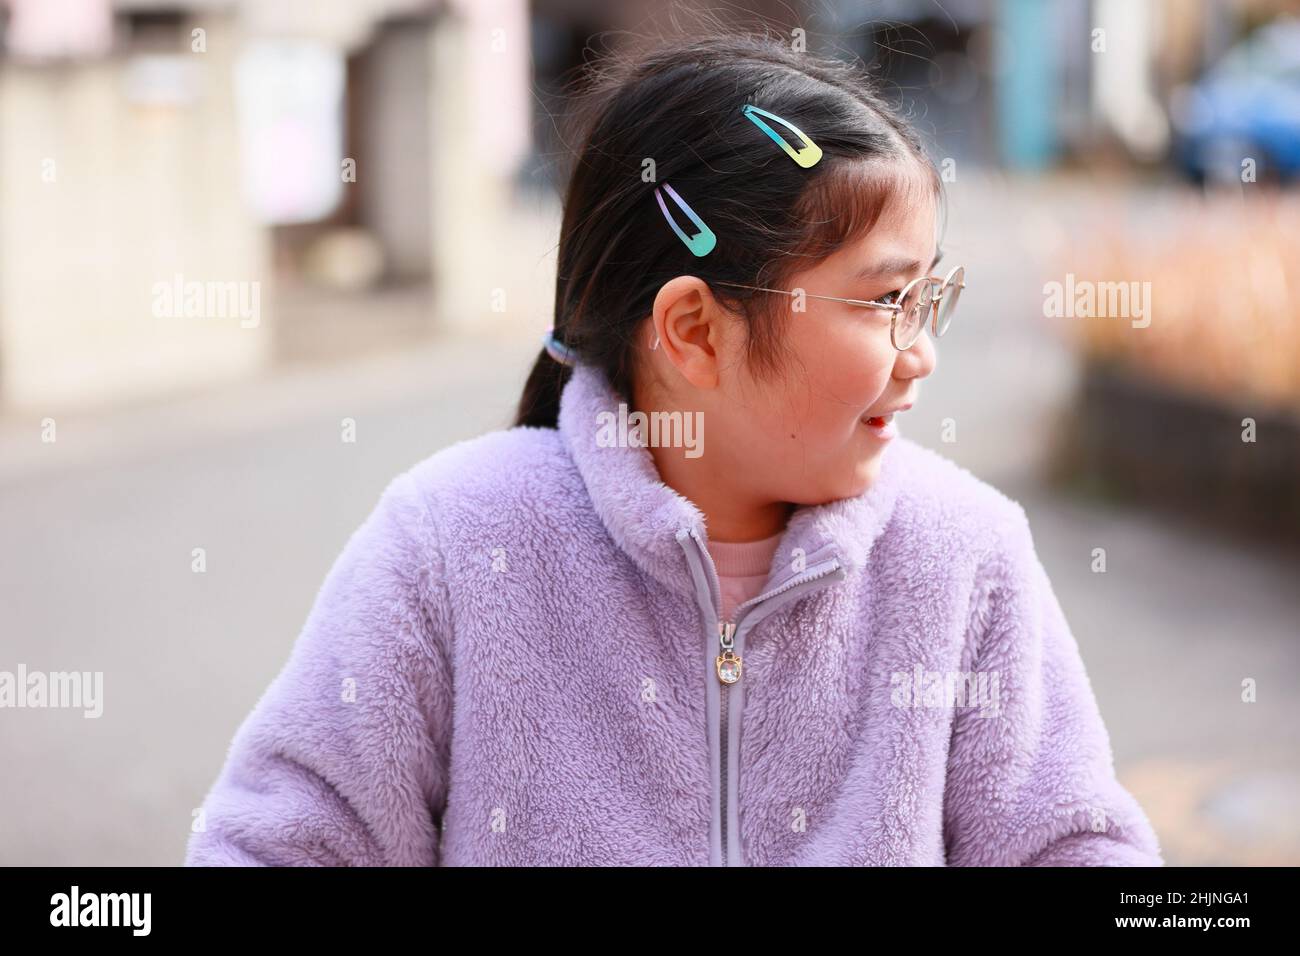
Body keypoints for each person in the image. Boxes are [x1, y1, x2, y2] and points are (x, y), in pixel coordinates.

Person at [186, 32, 1162, 866]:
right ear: (694, 330)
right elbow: (278, 848)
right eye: (881, 301)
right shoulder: (451, 544)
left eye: (926, 297)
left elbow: (1073, 848)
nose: (922, 354)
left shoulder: (961, 554)